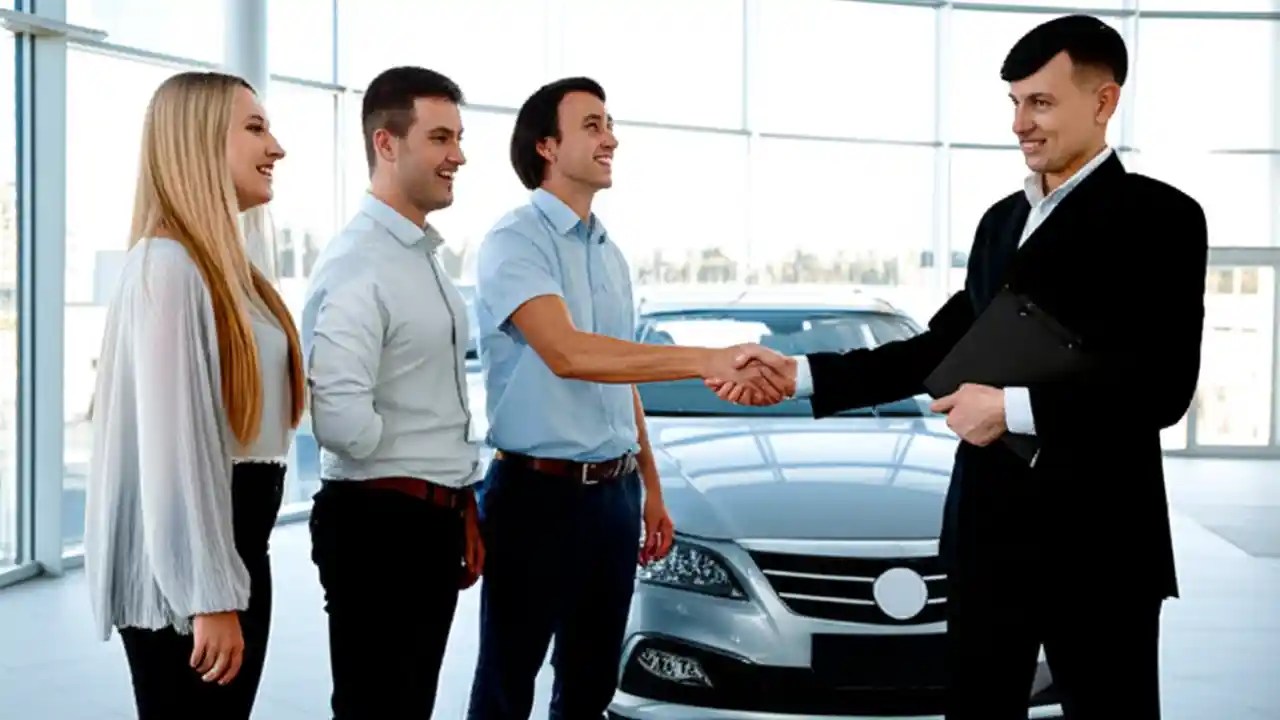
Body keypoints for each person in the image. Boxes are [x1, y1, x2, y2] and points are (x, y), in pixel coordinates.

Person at [712, 15, 1207, 720]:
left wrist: (1011, 409)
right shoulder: (1000, 221)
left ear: (1103, 103)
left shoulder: (1162, 219)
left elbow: (1160, 386)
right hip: (987, 535)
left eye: (1040, 102)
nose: (1019, 124)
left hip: (1099, 549)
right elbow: (937, 348)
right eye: (1013, 103)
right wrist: (799, 374)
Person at [465, 76, 789, 720]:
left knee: (590, 683)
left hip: (615, 498)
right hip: (536, 498)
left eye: (609, 124)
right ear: (547, 146)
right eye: (592, 125)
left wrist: (652, 487)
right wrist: (707, 360)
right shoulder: (516, 241)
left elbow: (621, 374)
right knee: (507, 683)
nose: (610, 138)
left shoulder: (609, 252)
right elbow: (570, 353)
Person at [83, 71, 305, 720]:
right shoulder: (167, 266)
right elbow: (175, 455)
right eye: (256, 128)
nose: (277, 147)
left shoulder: (230, 271)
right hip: (201, 561)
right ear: (200, 142)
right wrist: (208, 597)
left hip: (236, 547)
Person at [300, 65, 484, 719]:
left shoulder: (417, 254)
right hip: (382, 525)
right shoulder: (360, 260)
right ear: (387, 144)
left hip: (427, 518)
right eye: (440, 137)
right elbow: (343, 424)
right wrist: (410, 467)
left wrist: (451, 494)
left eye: (458, 137)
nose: (458, 155)